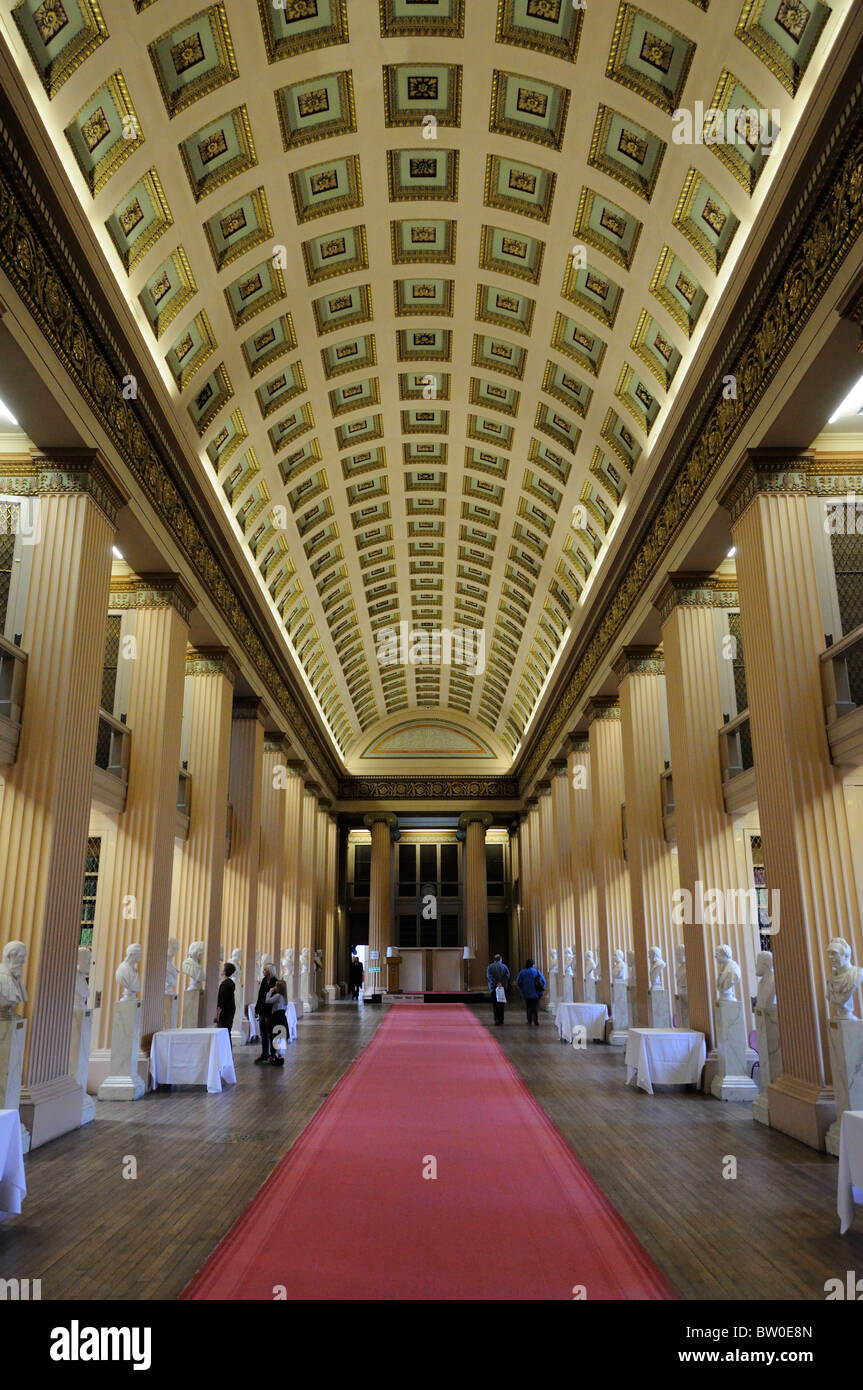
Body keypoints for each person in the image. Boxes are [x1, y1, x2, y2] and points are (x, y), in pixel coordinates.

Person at [254, 959, 277, 1063]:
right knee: (263, 1034)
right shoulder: (263, 980)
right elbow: (260, 996)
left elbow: (276, 998)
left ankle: (273, 1054)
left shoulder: (275, 982)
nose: (263, 971)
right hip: (262, 1011)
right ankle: (264, 1054)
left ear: (270, 971)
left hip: (270, 1012)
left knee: (271, 1033)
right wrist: (256, 1009)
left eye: (265, 970)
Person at [515, 958, 546, 1026]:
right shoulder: (537, 972)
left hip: (526, 993)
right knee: (535, 1007)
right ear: (533, 965)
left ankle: (529, 1020)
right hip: (536, 993)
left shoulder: (522, 972)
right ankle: (535, 1020)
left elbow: (518, 982)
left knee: (528, 1006)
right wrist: (540, 990)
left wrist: (521, 990)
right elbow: (543, 981)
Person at [266, 977, 289, 1066]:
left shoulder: (277, 995)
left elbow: (268, 1001)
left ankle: (273, 1056)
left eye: (275, 986)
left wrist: (270, 992)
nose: (274, 987)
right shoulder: (285, 997)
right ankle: (281, 1056)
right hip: (282, 1018)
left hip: (276, 1018)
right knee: (281, 1037)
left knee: (275, 1036)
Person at [486, 953, 510, 1025]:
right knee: (501, 1004)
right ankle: (501, 1019)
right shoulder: (504, 966)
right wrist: (501, 983)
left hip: (493, 988)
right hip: (502, 988)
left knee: (495, 1004)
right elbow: (507, 976)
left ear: (494, 959)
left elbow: (489, 976)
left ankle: (496, 1019)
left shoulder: (490, 966)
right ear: (500, 959)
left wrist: (496, 983)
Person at [215, 961, 236, 1034]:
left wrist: (217, 1015)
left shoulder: (224, 985)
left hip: (224, 1013)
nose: (221, 970)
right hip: (230, 1010)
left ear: (224, 971)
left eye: (222, 969)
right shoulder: (231, 983)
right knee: (227, 1032)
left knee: (223, 1033)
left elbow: (221, 1001)